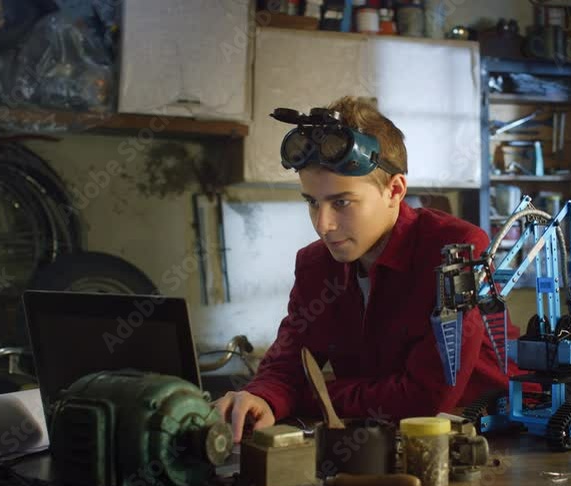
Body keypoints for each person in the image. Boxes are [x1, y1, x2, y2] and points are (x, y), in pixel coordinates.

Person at [213, 96, 518, 442]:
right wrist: (261, 397)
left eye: (341, 202)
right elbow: (288, 363)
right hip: (379, 440)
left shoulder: (456, 250)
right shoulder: (315, 265)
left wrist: (313, 395)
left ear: (395, 190)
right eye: (312, 202)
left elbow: (427, 397)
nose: (323, 225)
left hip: (496, 440)